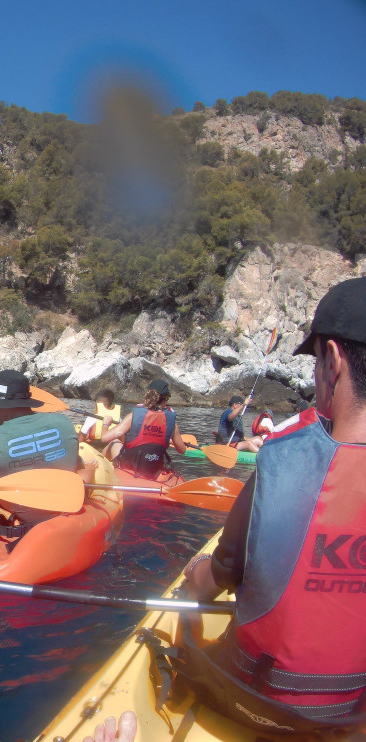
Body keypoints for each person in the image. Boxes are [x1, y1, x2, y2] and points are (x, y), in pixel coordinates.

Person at [183, 276, 366, 732]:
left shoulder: (284, 459)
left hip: (264, 706)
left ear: (333, 359)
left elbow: (222, 574)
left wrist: (193, 581)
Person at [100, 379, 187, 480]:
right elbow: (182, 450)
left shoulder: (134, 416)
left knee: (114, 442)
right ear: (165, 400)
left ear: (148, 396)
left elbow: (104, 438)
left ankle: (102, 470)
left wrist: (106, 424)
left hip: (128, 467)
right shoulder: (172, 424)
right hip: (152, 470)